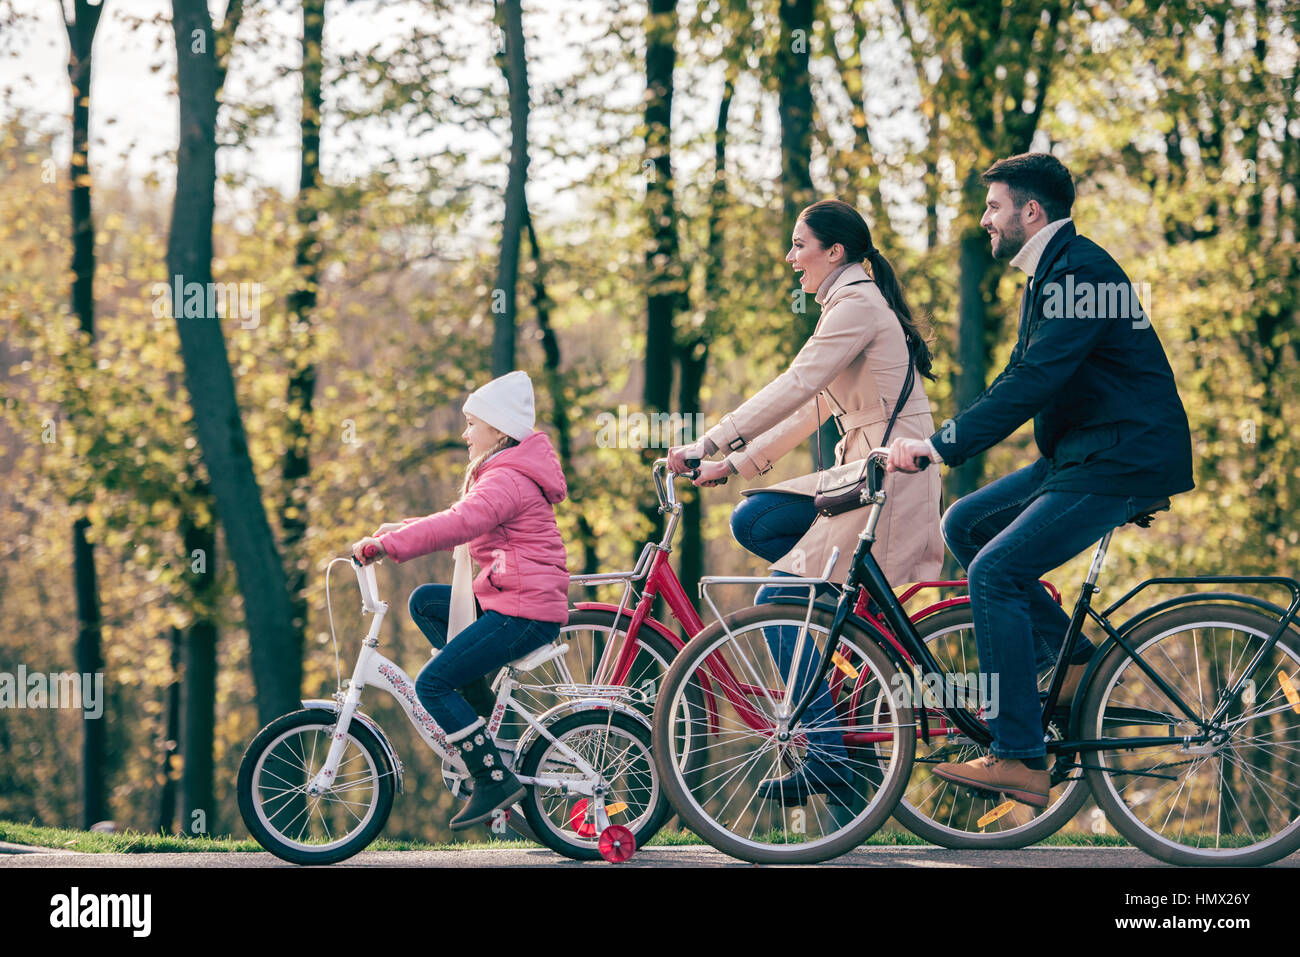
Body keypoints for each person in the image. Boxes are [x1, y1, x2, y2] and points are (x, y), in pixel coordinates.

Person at [888, 152, 1194, 807]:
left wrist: (941, 446)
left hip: (1121, 458)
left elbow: (1035, 381)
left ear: (1032, 211)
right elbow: (1021, 375)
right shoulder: (1052, 274)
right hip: (1081, 453)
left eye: (994, 207)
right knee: (965, 523)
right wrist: (943, 438)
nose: (984, 220)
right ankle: (1075, 661)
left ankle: (1021, 756)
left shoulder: (1080, 272)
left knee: (993, 572)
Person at [668, 198, 944, 806]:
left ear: (835, 251)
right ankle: (843, 669)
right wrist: (733, 463)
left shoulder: (856, 305)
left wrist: (710, 439)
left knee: (779, 591)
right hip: (867, 472)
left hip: (886, 479)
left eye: (800, 245)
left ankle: (826, 748)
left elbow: (799, 384)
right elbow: (817, 405)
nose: (791, 258)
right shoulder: (854, 304)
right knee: (759, 521)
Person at [351, 370, 570, 828]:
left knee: (431, 685)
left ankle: (491, 779)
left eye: (472, 423)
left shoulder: (507, 476)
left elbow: (461, 523)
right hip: (513, 600)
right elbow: (465, 520)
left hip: (522, 611)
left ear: (499, 430)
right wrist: (402, 530)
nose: (464, 433)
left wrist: (389, 547)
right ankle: (473, 691)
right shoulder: (506, 472)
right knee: (427, 602)